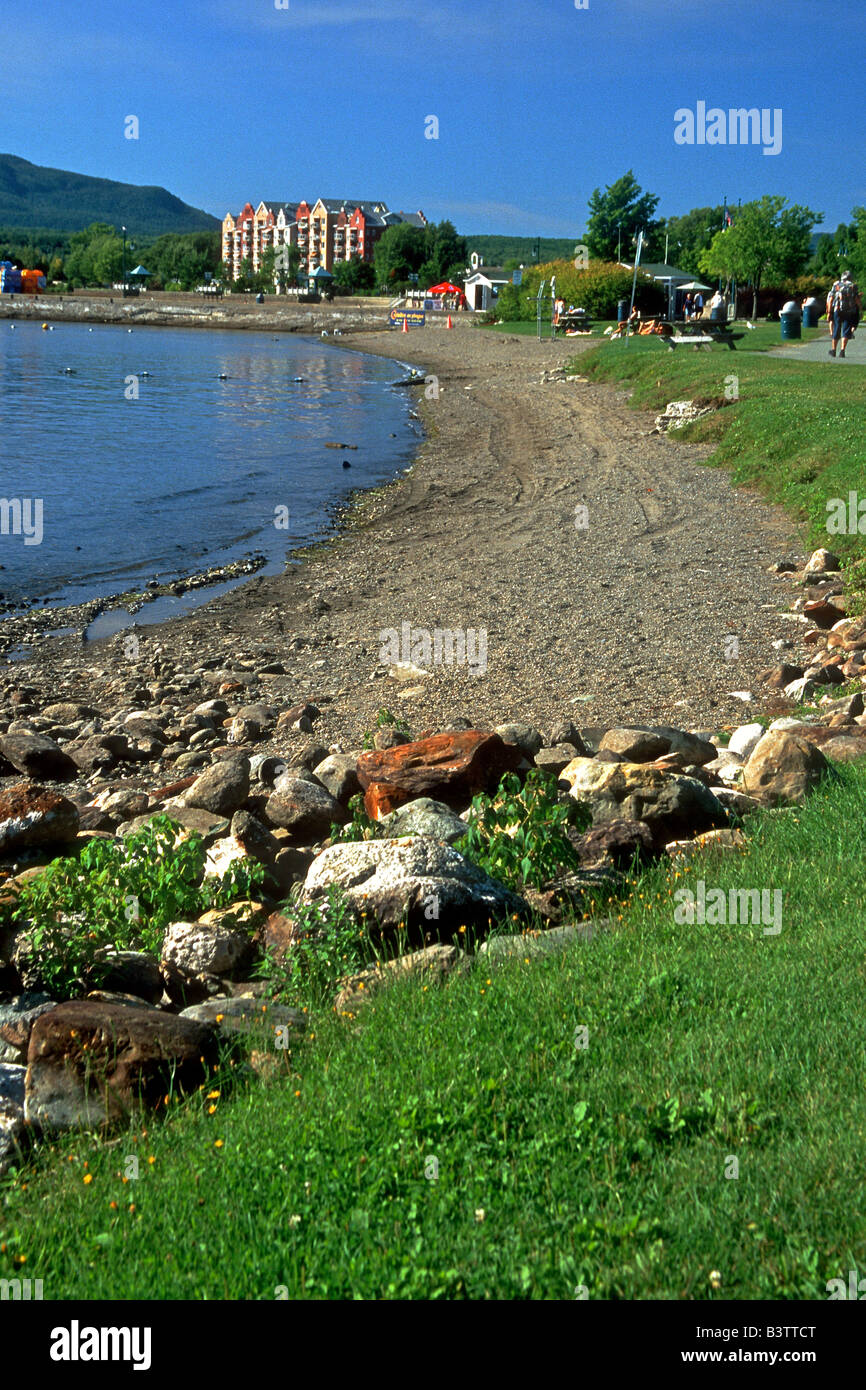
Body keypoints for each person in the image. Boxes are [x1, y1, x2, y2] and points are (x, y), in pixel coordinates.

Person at [826, 269, 861, 357]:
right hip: (849, 311)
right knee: (846, 330)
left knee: (836, 328)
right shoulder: (853, 286)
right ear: (850, 277)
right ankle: (842, 351)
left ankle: (833, 350)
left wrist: (829, 311)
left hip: (837, 310)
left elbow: (830, 299)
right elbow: (856, 299)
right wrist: (860, 309)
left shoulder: (836, 284)